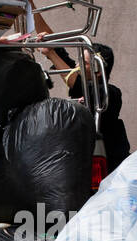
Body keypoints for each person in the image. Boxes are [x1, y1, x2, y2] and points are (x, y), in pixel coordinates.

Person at [43, 42, 130, 173]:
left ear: (98, 71)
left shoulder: (110, 93)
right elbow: (59, 52)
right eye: (79, 61)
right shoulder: (83, 77)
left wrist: (50, 53)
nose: (78, 66)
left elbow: (78, 85)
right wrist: (37, 24)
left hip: (110, 166)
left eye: (84, 63)